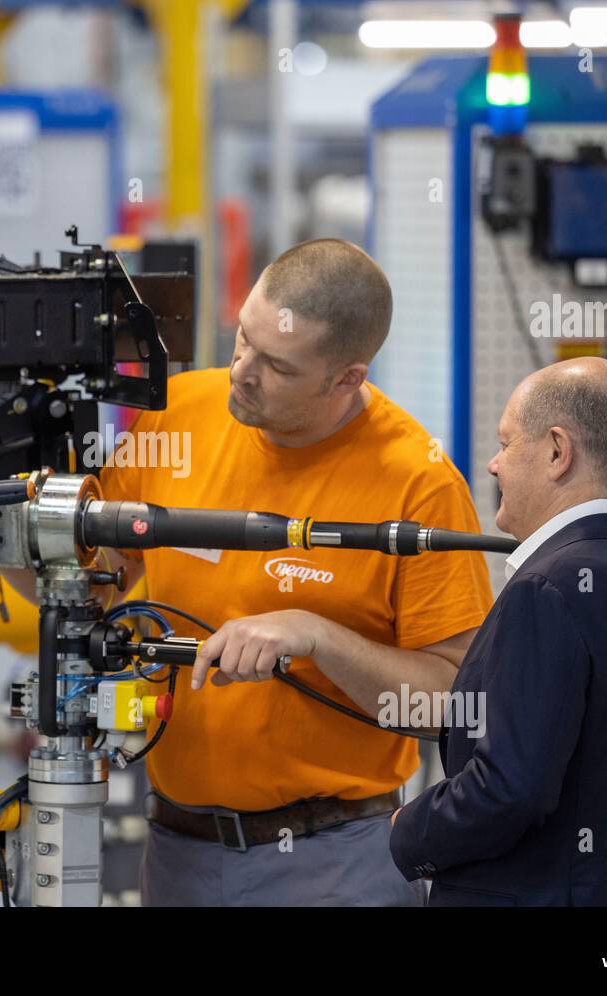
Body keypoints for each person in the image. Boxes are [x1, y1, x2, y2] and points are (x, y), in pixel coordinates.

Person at [88, 239, 494, 906]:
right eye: (242, 340)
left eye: (276, 366)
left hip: (334, 864)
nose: (241, 372)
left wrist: (318, 637)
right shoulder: (177, 417)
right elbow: (95, 581)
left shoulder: (416, 483)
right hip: (177, 854)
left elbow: (451, 701)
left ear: (347, 379)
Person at [388, 356, 607, 906]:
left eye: (505, 443)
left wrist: (405, 829)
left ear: (556, 451)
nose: (494, 465)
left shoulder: (547, 591)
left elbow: (508, 788)